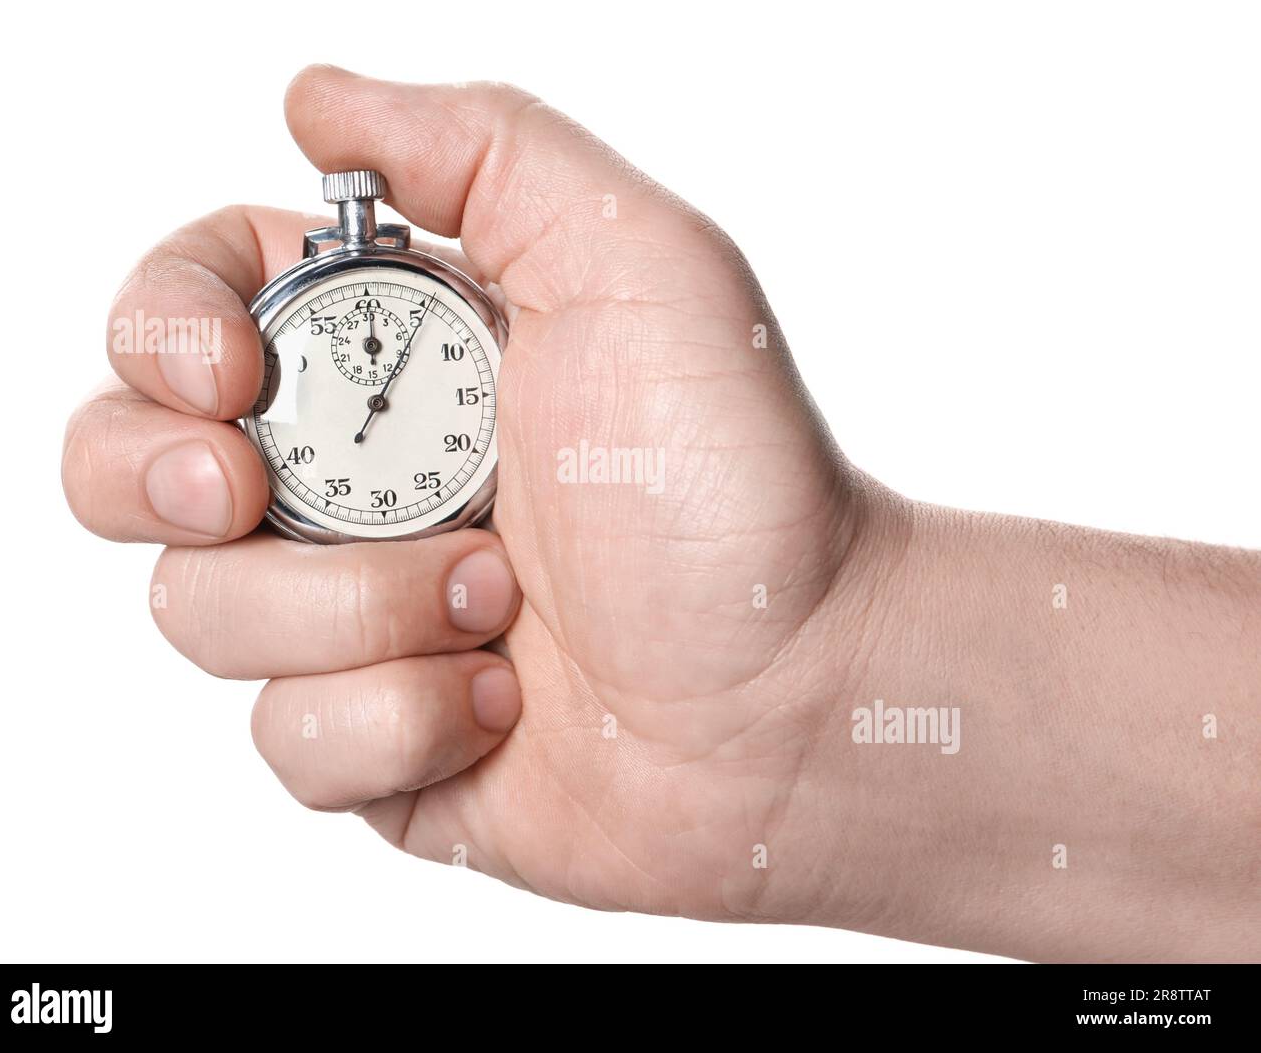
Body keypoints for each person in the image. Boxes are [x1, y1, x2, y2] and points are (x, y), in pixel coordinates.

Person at [61, 65, 1259, 963]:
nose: (382, 392)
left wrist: (820, 662)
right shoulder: (341, 336)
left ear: (451, 334)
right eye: (364, 376)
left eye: (408, 370)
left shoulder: (464, 323)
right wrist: (818, 684)